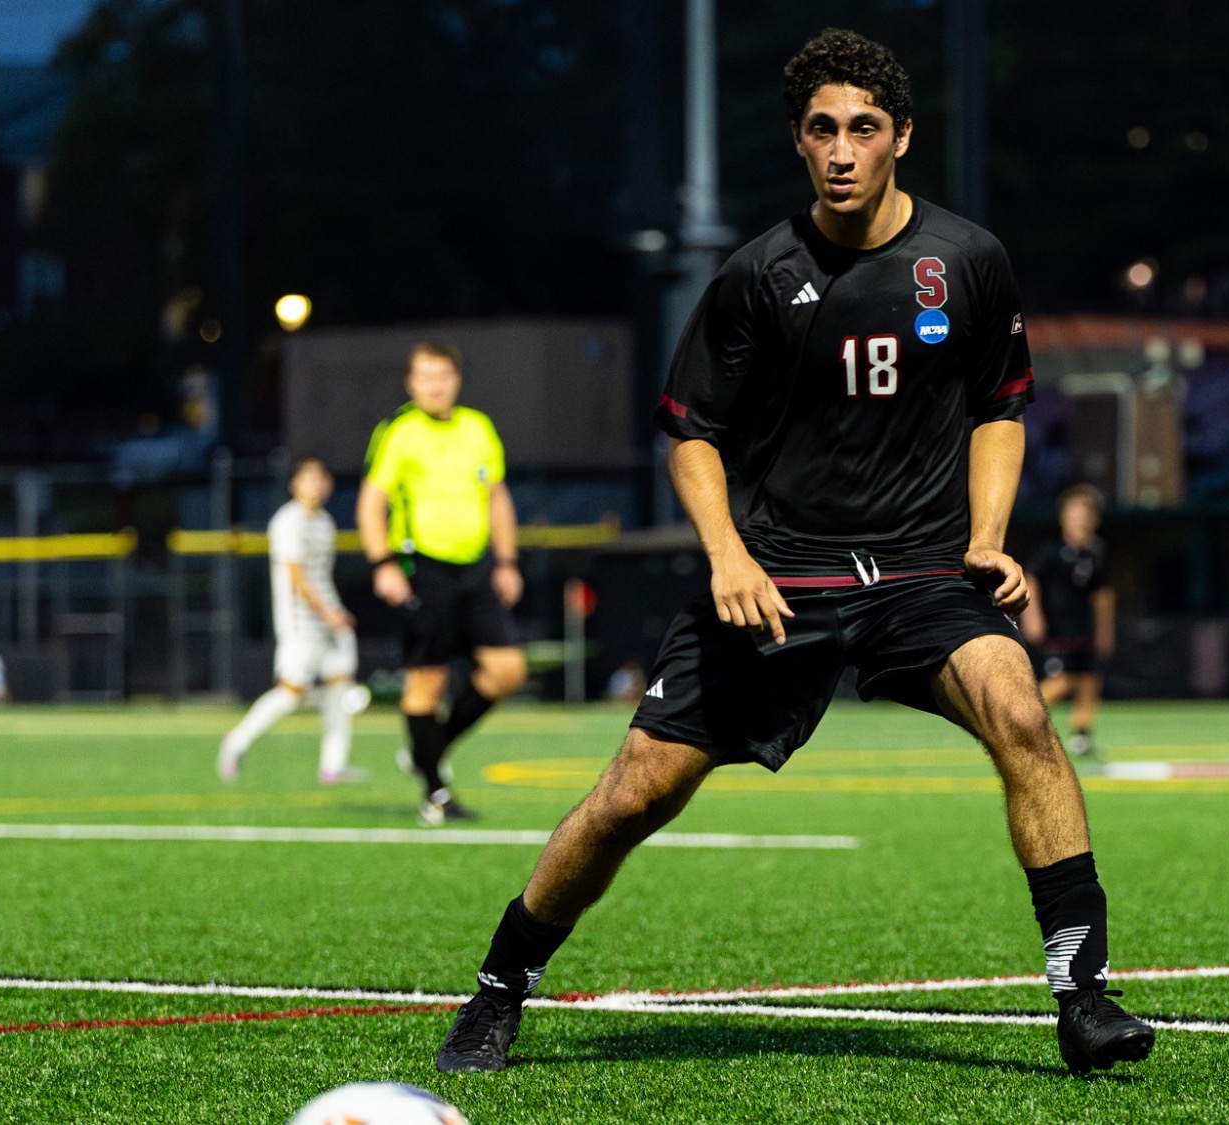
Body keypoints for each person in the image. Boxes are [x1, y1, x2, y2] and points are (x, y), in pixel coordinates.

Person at [434, 29, 1154, 1077]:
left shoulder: (966, 261)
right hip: (779, 576)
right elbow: (692, 438)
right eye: (821, 129)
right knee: (634, 793)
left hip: (918, 571)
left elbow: (1001, 407)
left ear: (900, 136)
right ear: (798, 141)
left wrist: (987, 538)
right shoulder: (754, 278)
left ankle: (1082, 1002)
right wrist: (727, 556)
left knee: (1020, 712)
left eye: (863, 128)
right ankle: (499, 989)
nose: (841, 150)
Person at [357, 341, 527, 826]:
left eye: (443, 374)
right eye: (425, 375)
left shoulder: (477, 427)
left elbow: (497, 497)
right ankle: (435, 792)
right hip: (422, 567)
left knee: (507, 671)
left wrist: (507, 561)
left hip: (474, 569)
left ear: (456, 379)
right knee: (427, 681)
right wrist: (382, 564)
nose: (435, 383)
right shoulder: (399, 431)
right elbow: (371, 502)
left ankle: (428, 751)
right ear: (411, 384)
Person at [218, 457, 368, 784]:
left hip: (329, 621)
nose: (315, 485)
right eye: (308, 478)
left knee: (340, 689)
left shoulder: (325, 523)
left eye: (321, 478)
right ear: (295, 484)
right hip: (300, 623)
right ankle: (236, 740)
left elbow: (322, 577)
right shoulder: (288, 521)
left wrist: (335, 612)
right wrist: (327, 612)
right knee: (290, 693)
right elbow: (297, 577)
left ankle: (333, 767)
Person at [1021, 484, 1115, 757]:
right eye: (1073, 513)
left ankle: (1081, 738)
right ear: (1063, 517)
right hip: (1056, 628)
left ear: (1094, 518)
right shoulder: (1052, 550)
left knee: (1089, 681)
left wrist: (1105, 631)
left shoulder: (1096, 551)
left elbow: (1103, 595)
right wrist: (1032, 616)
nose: (1079, 519)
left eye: (1085, 513)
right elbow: (1032, 580)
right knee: (1061, 681)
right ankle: (1023, 723)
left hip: (1083, 627)